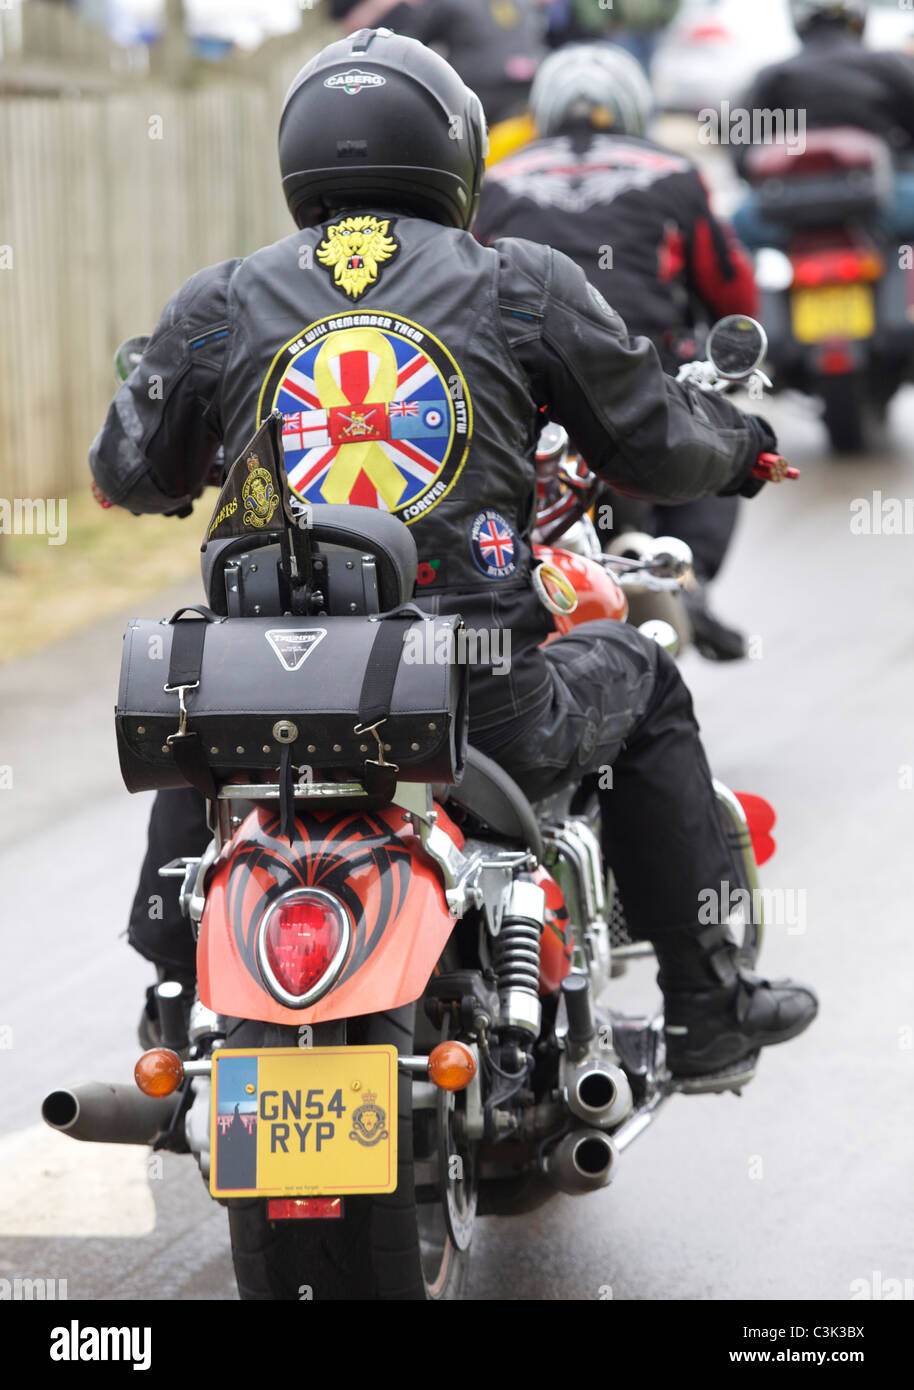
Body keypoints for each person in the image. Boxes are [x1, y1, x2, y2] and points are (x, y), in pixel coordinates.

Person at [89, 27, 816, 1080]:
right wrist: (742, 447)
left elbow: (132, 469)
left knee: (219, 733)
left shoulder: (222, 299)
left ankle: (166, 986)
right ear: (453, 151)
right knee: (648, 681)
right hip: (475, 690)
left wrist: (181, 462)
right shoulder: (516, 281)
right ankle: (707, 1014)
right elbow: (651, 439)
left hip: (272, 691)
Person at [474, 42, 759, 659]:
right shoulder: (675, 173)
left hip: (527, 385)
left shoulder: (495, 179)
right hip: (643, 374)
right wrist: (741, 349)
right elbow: (727, 283)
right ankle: (690, 581)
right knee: (721, 435)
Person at [732, 0, 914, 249]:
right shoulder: (890, 66)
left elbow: (741, 154)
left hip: (785, 212)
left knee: (733, 232)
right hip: (885, 206)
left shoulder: (772, 77)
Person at [331, 0, 547, 124]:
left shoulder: (445, 4)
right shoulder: (522, 3)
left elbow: (405, 45)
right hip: (535, 95)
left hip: (485, 102)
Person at [547, 0, 681, 71]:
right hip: (619, 33)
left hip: (651, 31)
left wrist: (664, 18)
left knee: (645, 83)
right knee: (621, 77)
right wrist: (603, 22)